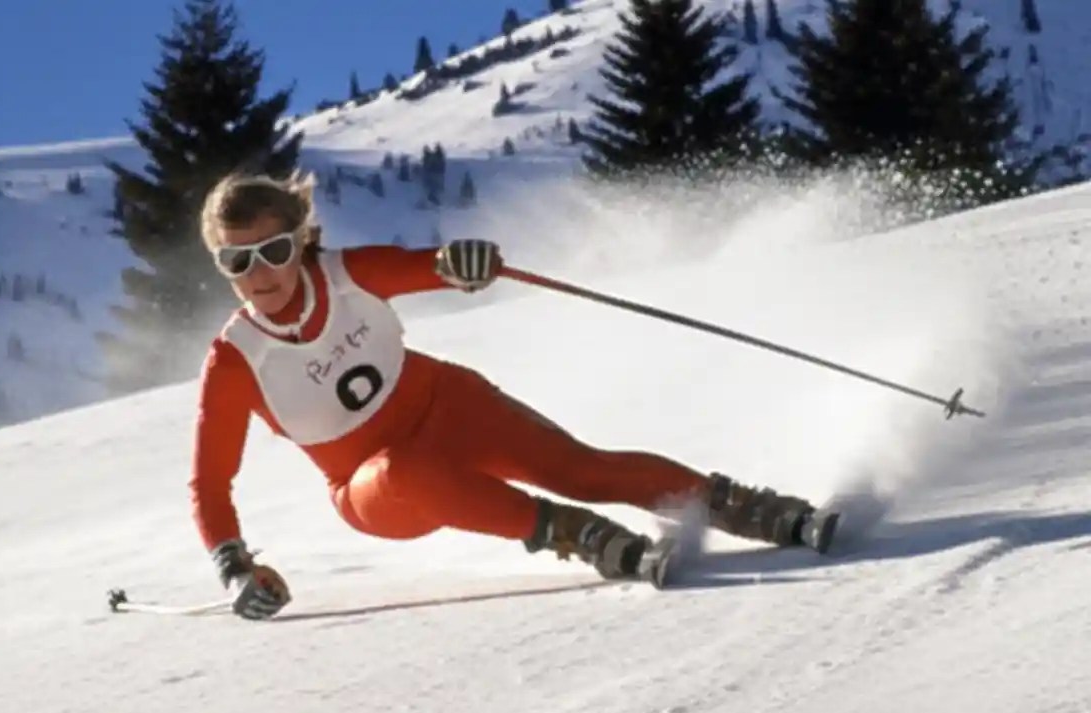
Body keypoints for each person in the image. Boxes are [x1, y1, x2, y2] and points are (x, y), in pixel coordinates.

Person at [189, 169, 834, 620]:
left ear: (301, 240)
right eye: (235, 261)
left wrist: (463, 264)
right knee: (404, 470)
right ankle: (586, 538)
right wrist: (235, 570)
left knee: (581, 469)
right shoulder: (235, 360)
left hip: (450, 408)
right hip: (374, 489)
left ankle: (757, 510)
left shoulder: (347, 275)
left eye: (273, 251)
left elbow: (433, 265)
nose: (259, 273)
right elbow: (211, 483)